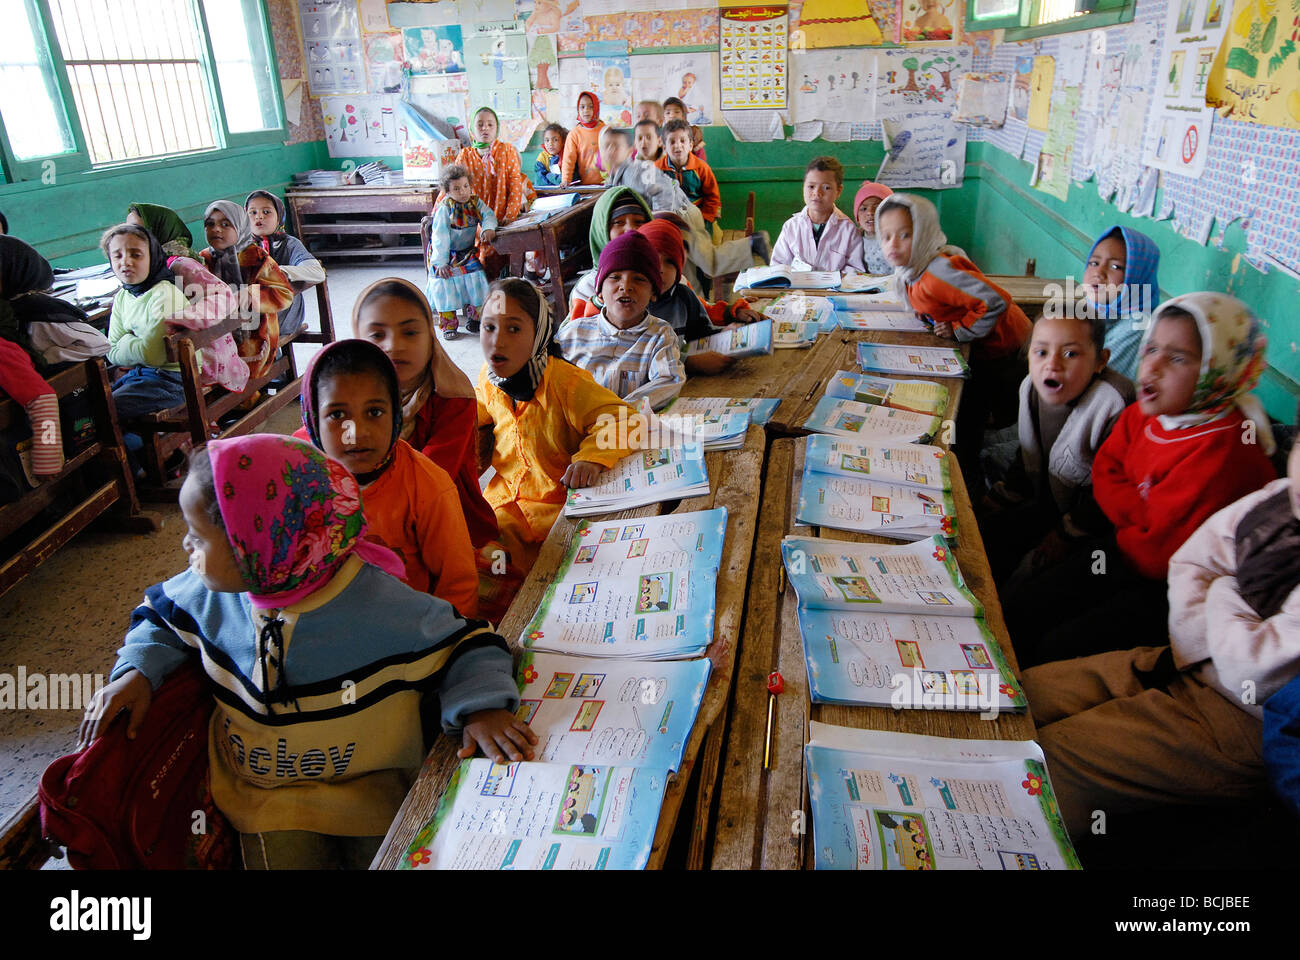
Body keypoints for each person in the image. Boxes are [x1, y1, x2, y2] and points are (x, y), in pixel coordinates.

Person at [81, 434, 534, 870]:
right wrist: (135, 670)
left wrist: (482, 707)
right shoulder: (207, 593)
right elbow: (157, 619)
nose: (185, 547)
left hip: (372, 795)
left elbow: (470, 642)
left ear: (258, 547)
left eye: (198, 537)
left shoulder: (378, 604)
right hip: (264, 801)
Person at [1022, 436, 1300, 842]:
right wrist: (1214, 636)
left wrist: (1224, 590)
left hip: (1242, 721)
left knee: (1052, 762)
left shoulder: (1232, 454)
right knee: (1023, 694)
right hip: (1182, 658)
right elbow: (1190, 561)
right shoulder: (1279, 498)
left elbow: (1251, 668)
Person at [1003, 292, 1278, 667]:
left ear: (1218, 371)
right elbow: (1105, 469)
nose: (1154, 366)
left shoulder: (1224, 451)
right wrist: (1139, 509)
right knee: (1022, 606)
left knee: (1057, 648)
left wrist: (1128, 510)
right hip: (1123, 548)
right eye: (1151, 349)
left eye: (1178, 357)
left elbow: (1154, 553)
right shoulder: (1149, 413)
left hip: (1171, 589)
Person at [475, 277, 643, 610]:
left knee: (550, 593)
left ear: (539, 334)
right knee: (479, 579)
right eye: (489, 327)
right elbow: (480, 410)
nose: (497, 341)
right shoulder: (489, 379)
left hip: (556, 514)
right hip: (505, 509)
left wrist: (591, 458)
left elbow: (626, 418)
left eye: (513, 329)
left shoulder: (564, 383)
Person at [295, 339, 478, 614]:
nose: (356, 432)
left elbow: (458, 586)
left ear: (396, 414)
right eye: (337, 414)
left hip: (411, 633)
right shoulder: (297, 479)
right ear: (312, 420)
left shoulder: (427, 485)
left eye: (374, 412)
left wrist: (440, 644)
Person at [877, 192, 1029, 487]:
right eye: (886, 236)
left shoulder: (936, 272)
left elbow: (997, 301)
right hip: (978, 347)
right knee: (968, 412)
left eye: (905, 234)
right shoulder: (911, 270)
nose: (893, 244)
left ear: (923, 233)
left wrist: (959, 329)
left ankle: (971, 481)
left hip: (1002, 346)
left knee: (970, 417)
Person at [980, 311, 1134, 584]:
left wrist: (1066, 535)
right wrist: (1004, 495)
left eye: (1071, 354)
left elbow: (1112, 492)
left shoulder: (1114, 405)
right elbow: (1029, 453)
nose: (1052, 365)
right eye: (1041, 352)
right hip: (1048, 507)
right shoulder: (1030, 389)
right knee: (982, 539)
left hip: (1096, 531)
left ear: (1101, 361)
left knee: (1031, 592)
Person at [353, 277, 498, 550]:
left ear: (431, 336)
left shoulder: (453, 399)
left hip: (446, 527)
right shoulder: (346, 400)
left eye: (409, 333)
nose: (394, 345)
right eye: (377, 335)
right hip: (370, 523)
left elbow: (426, 479)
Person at [601, 127, 766, 282]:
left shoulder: (636, 171)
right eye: (606, 146)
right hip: (678, 214)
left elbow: (663, 191)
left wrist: (661, 223)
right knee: (704, 263)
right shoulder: (616, 175)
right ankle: (753, 245)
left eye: (616, 146)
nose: (610, 151)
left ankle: (694, 304)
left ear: (630, 150)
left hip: (679, 216)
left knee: (690, 269)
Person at [555, 230, 685, 411]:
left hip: (625, 429)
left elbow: (669, 379)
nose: (626, 286)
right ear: (599, 292)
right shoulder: (572, 334)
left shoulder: (659, 335)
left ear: (654, 293)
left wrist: (618, 411)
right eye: (615, 277)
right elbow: (549, 379)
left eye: (639, 279)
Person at [126, 202, 248, 394]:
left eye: (139, 231)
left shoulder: (179, 263)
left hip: (200, 354)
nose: (129, 238)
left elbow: (224, 296)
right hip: (181, 351)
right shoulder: (150, 267)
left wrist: (182, 318)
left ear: (158, 232)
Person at [102, 224, 190, 423]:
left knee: (106, 411)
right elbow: (111, 352)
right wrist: (136, 346)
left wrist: (125, 341)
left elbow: (155, 355)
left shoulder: (164, 294)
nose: (126, 262)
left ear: (153, 256)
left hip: (174, 381)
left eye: (136, 255)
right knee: (92, 404)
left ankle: (135, 453)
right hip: (143, 374)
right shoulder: (123, 296)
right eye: (117, 256)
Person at [200, 200, 293, 381]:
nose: (216, 229)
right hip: (217, 334)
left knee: (238, 371)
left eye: (226, 224)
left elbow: (284, 294)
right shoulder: (203, 259)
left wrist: (251, 293)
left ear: (240, 226)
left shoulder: (256, 256)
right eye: (210, 224)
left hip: (255, 336)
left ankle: (247, 400)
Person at [1080, 225, 1161, 380]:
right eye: (1094, 263)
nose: (1098, 272)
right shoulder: (1092, 306)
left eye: (1115, 267)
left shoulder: (1138, 326)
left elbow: (1092, 382)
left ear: (1137, 276)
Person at [425, 163, 496, 339]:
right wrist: (440, 262)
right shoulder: (444, 209)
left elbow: (488, 215)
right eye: (456, 189)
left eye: (465, 186)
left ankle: (475, 318)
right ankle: (449, 325)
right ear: (447, 192)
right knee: (445, 286)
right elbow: (440, 237)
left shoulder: (475, 202)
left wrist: (488, 228)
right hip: (445, 254)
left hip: (466, 253)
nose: (463, 191)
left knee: (477, 281)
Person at [454, 106, 531, 268]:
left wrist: (510, 216)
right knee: (479, 264)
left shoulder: (507, 151)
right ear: (472, 128)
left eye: (490, 124)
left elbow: (515, 185)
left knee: (506, 264)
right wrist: (437, 211)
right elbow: (452, 185)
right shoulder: (465, 155)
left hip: (504, 219)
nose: (485, 128)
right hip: (476, 221)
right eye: (480, 124)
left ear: (496, 128)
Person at [245, 190, 326, 339]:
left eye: (267, 212)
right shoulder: (243, 247)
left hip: (286, 316)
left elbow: (317, 272)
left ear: (279, 217)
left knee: (251, 333)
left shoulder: (289, 244)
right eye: (252, 212)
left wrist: (279, 272)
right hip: (253, 315)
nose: (259, 216)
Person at [566, 187, 653, 322]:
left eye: (639, 222)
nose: (630, 229)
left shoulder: (661, 275)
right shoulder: (588, 288)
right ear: (602, 230)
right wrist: (598, 304)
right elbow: (575, 334)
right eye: (618, 222)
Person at [772, 156, 864, 272]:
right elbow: (778, 267)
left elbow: (855, 269)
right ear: (803, 187)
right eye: (811, 187)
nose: (817, 193)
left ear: (838, 191)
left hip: (835, 289)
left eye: (826, 188)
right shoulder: (791, 227)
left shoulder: (848, 230)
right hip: (796, 289)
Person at [656, 118, 721, 227]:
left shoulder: (702, 168)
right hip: (668, 219)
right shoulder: (657, 169)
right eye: (672, 142)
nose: (678, 146)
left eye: (682, 141)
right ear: (664, 147)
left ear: (691, 145)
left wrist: (705, 218)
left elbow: (712, 196)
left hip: (697, 217)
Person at [561, 91, 606, 186]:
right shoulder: (574, 134)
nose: (586, 110)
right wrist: (565, 180)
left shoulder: (606, 130)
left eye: (591, 106)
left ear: (597, 107)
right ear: (578, 109)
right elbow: (568, 160)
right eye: (582, 107)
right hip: (584, 186)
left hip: (607, 185)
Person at [852, 180, 894, 275]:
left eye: (877, 207)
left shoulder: (896, 237)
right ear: (857, 216)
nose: (870, 213)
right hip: (868, 287)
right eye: (864, 209)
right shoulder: (856, 238)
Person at [532, 122, 567, 187]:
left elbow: (566, 179)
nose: (550, 144)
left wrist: (549, 176)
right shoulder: (542, 157)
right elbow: (540, 181)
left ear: (563, 142)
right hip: (546, 192)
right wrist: (556, 180)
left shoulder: (566, 155)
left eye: (555, 140)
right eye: (547, 140)